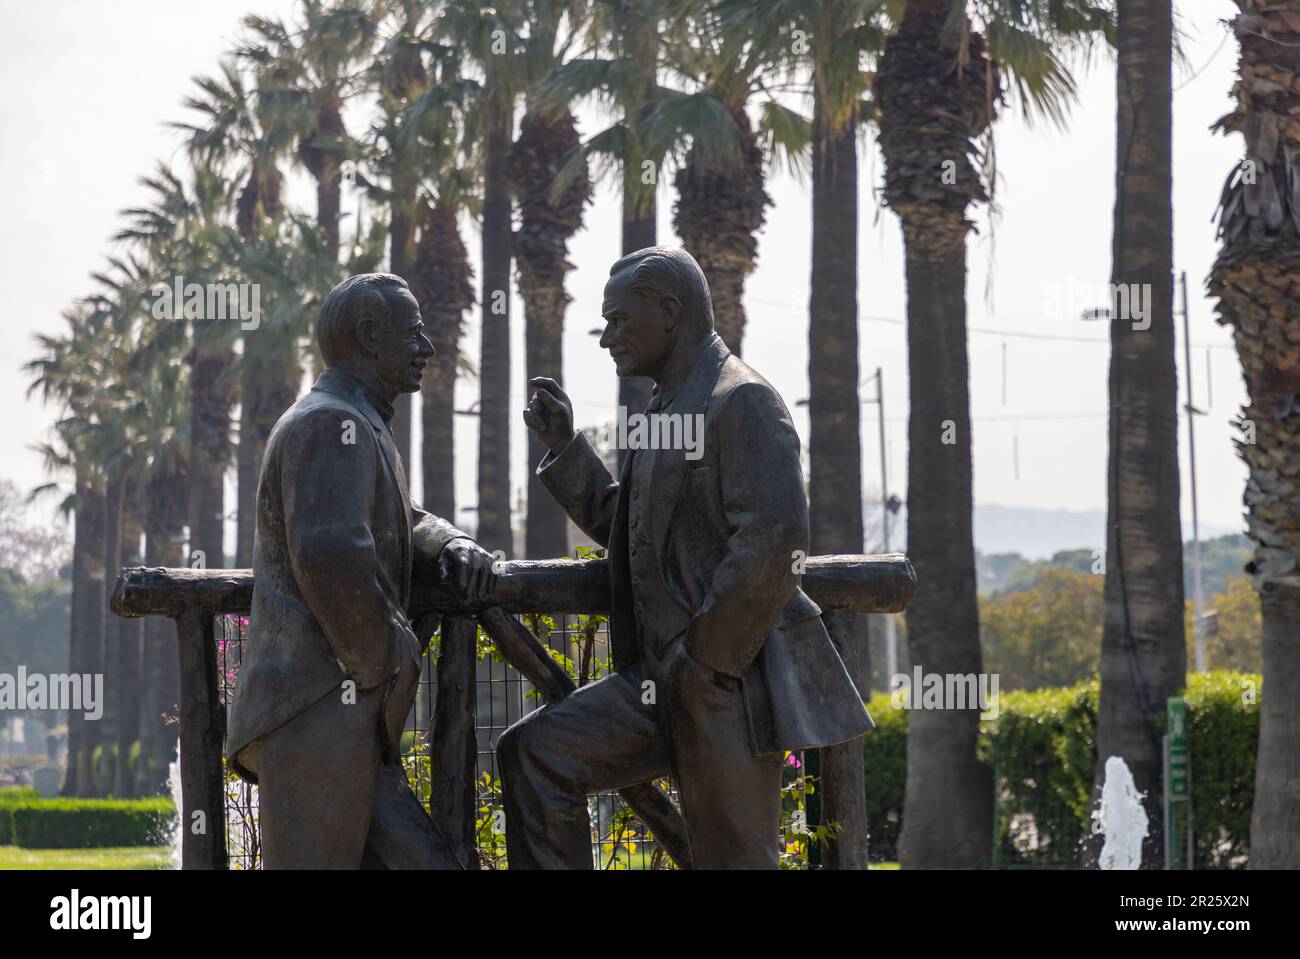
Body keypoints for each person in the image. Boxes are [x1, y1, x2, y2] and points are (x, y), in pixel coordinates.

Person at [500, 247, 873, 868]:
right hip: (659, 685)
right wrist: (566, 449)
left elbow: (776, 540)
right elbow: (631, 527)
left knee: (734, 860)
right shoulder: (667, 407)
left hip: (726, 686)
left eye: (618, 321)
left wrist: (705, 663)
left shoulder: (742, 399)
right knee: (537, 754)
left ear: (670, 313)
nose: (607, 339)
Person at [226, 273, 497, 869]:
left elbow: (397, 516)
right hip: (317, 710)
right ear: (371, 337)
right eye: (415, 332)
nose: (427, 347)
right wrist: (388, 658)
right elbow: (328, 552)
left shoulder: (353, 420)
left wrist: (447, 541)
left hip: (345, 714)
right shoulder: (330, 424)